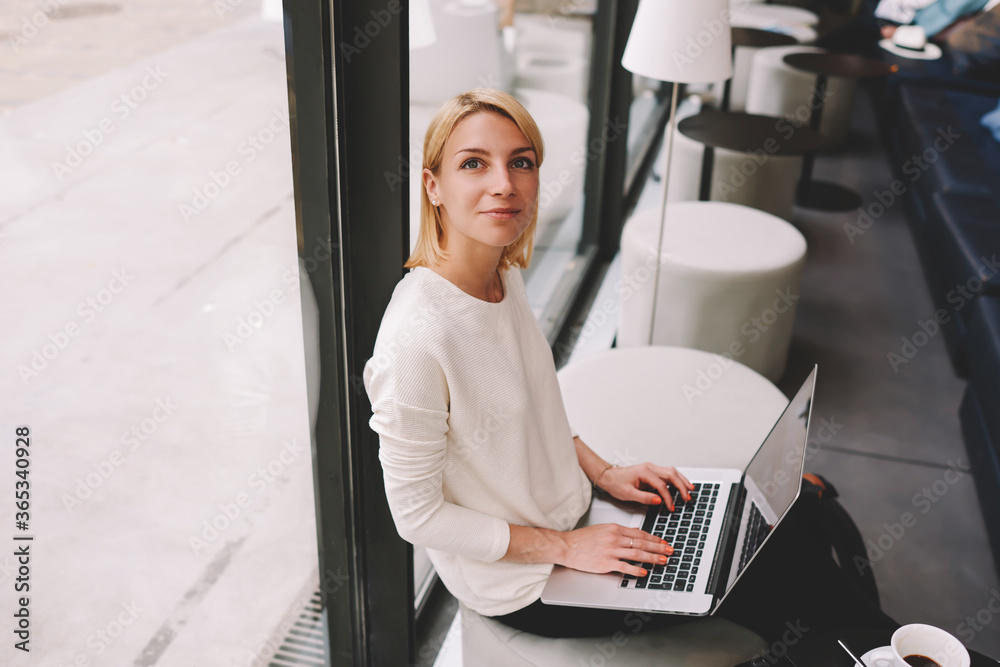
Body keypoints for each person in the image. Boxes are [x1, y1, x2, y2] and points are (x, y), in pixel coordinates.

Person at [363, 88, 897, 642]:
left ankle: (892, 649)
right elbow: (417, 517)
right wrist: (567, 547)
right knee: (777, 579)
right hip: (527, 580)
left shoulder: (503, 275)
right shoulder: (416, 342)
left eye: (521, 162)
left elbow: (531, 416)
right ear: (433, 186)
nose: (504, 183)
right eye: (474, 163)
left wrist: (603, 472)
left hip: (580, 511)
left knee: (790, 523)